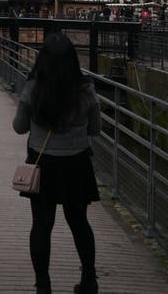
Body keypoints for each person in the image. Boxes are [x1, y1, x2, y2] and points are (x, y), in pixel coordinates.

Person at [13, 32, 101, 294]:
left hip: (43, 163)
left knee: (42, 224)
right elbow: (95, 129)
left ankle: (43, 284)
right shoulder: (85, 89)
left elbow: (19, 127)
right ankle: (89, 279)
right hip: (76, 163)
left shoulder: (33, 87)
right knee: (79, 222)